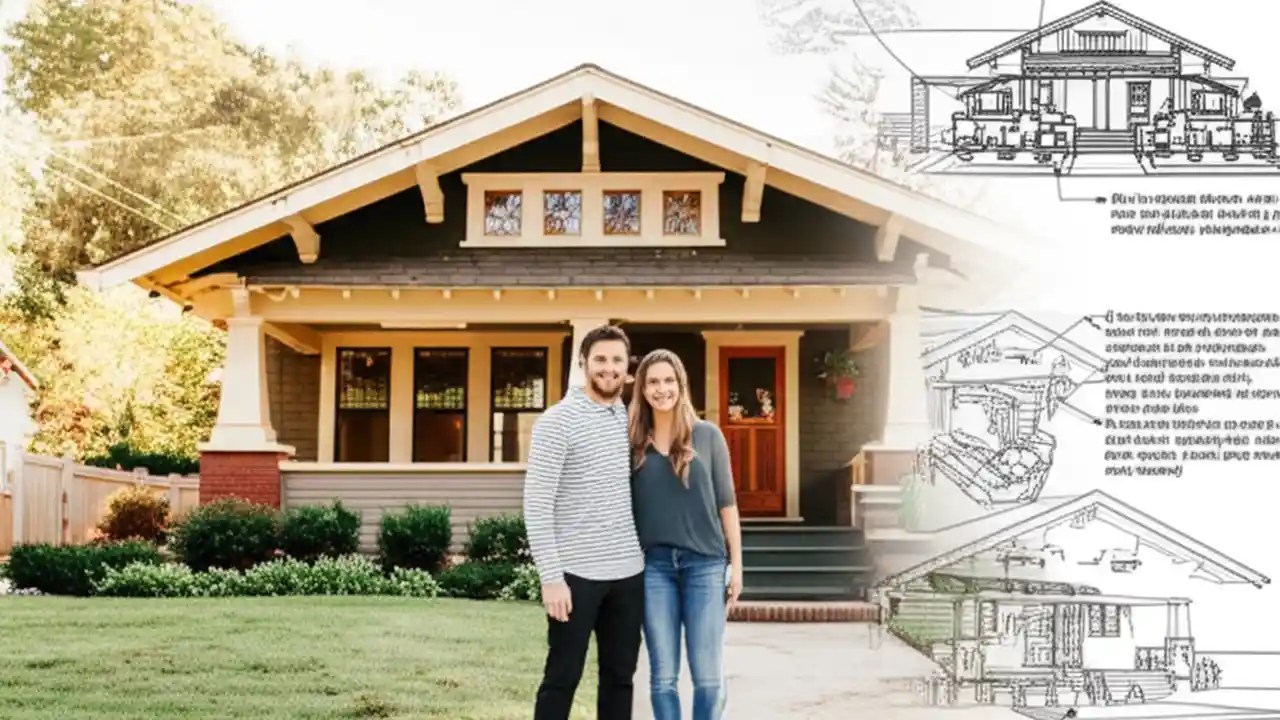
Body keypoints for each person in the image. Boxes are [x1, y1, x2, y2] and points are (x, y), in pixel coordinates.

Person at [523, 323, 646, 720]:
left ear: (628, 368)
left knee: (620, 678)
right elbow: (537, 503)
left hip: (628, 574)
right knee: (562, 677)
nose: (608, 368)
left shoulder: (628, 422)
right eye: (600, 359)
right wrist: (551, 577)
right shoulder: (557, 422)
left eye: (616, 360)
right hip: (575, 576)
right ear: (582, 363)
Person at [628, 348, 743, 720]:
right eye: (653, 382)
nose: (662, 390)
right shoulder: (632, 445)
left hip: (706, 566)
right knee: (663, 678)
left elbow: (727, 504)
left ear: (681, 385)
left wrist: (736, 566)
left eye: (669, 381)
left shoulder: (708, 436)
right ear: (642, 390)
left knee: (708, 677)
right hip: (654, 569)